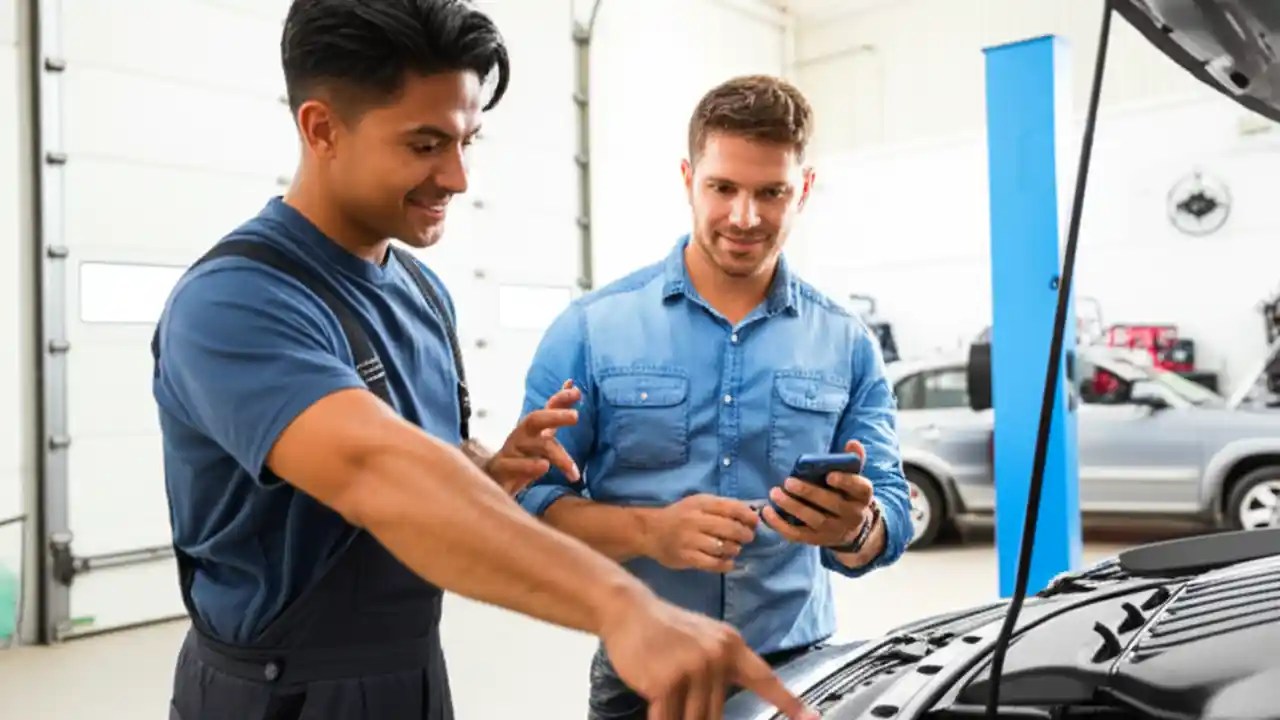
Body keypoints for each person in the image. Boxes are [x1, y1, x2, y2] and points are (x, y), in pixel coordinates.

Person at [150, 2, 818, 719]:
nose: (459, 177)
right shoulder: (236, 302)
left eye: (468, 139)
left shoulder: (420, 291)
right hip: (276, 691)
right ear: (322, 129)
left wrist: (491, 473)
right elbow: (379, 473)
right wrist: (620, 603)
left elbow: (429, 461)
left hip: (409, 669)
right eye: (426, 144)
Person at [516, 74, 915, 718]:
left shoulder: (845, 342)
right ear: (687, 178)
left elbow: (893, 508)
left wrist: (856, 530)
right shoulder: (591, 330)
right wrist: (649, 531)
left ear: (803, 189)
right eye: (722, 187)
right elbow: (524, 503)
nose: (744, 217)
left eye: (771, 192)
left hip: (800, 671)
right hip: (640, 676)